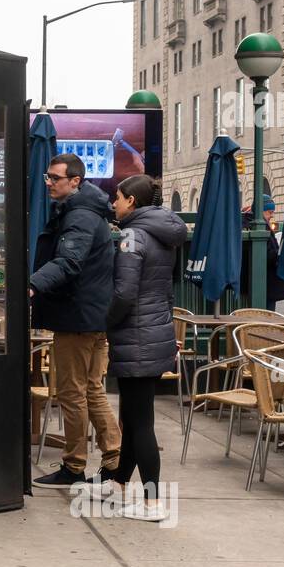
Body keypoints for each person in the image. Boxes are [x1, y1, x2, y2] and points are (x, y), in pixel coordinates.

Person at [29, 153, 121, 489]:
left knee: (71, 393)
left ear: (76, 181)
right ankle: (114, 460)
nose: (50, 183)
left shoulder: (79, 215)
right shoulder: (87, 211)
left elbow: (69, 261)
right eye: (47, 177)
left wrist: (32, 284)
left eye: (55, 178)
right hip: (93, 315)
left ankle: (74, 465)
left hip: (76, 317)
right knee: (92, 390)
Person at [106, 175, 187, 521]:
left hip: (135, 334)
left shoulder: (131, 236)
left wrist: (106, 321)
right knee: (135, 415)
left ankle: (152, 501)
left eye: (118, 197)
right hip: (155, 331)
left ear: (132, 203)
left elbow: (124, 293)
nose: (114, 203)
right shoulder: (162, 236)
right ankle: (120, 483)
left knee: (140, 423)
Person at [241, 194, 284, 312]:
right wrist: (280, 253)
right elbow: (264, 255)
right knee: (266, 316)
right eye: (269, 212)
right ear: (259, 210)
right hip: (264, 283)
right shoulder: (257, 225)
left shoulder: (253, 223)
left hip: (264, 283)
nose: (271, 215)